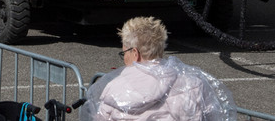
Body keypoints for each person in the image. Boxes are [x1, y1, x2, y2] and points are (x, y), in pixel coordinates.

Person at [83, 16, 235, 121]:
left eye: (124, 52)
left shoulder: (114, 88)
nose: (124, 57)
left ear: (135, 53)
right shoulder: (192, 84)